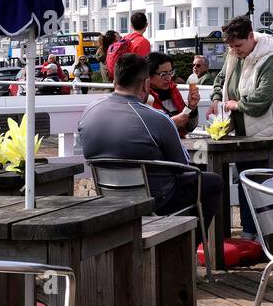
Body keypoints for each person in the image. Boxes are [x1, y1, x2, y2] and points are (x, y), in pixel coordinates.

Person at [77, 53, 222, 238]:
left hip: (108, 195)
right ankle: (187, 248)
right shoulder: (156, 119)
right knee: (211, 182)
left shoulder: (89, 112)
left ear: (115, 80)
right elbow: (183, 166)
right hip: (156, 199)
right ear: (146, 83)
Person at [211, 15, 273, 238]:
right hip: (246, 133)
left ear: (251, 36)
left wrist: (235, 104)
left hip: (271, 134)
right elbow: (222, 78)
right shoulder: (235, 53)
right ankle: (250, 232)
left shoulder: (270, 59)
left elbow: (261, 99)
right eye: (231, 46)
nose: (235, 50)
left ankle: (269, 237)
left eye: (238, 45)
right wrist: (216, 97)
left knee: (262, 185)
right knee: (245, 183)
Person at [147, 51, 200, 136]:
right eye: (163, 74)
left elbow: (190, 127)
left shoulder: (173, 90)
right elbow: (147, 132)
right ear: (149, 74)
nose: (168, 78)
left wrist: (192, 107)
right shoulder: (144, 97)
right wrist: (172, 122)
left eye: (170, 73)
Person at [105, 12, 152, 80]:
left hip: (121, 77)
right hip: (133, 81)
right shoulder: (143, 42)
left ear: (131, 26)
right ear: (146, 25)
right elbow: (143, 66)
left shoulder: (124, 38)